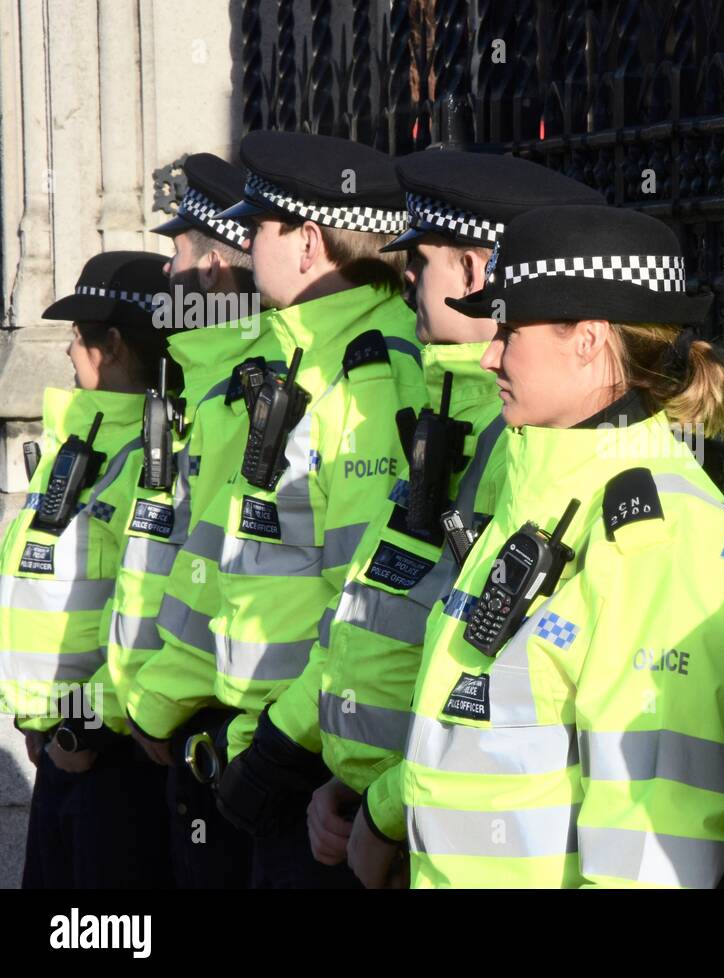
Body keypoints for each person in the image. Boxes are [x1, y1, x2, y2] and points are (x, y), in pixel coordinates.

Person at [346, 203, 724, 888]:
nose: (488, 354)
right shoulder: (536, 496)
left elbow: (653, 851)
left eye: (509, 329)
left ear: (589, 341)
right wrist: (386, 809)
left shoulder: (662, 540)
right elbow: (490, 734)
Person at [304, 151, 604, 875]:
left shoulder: (525, 440)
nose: (407, 281)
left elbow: (492, 687)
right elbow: (387, 608)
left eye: (421, 266)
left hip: (444, 830)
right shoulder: (457, 408)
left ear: (473, 271)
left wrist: (386, 808)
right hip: (400, 811)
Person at [201, 131, 424, 888]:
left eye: (257, 226)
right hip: (275, 740)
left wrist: (276, 748)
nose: (243, 243)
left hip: (317, 760)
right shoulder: (304, 352)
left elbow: (368, 602)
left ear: (307, 242)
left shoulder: (368, 370)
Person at [0, 251, 175, 887]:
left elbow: (155, 612)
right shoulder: (77, 441)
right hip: (59, 747)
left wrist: (84, 730)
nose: (69, 351)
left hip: (114, 755)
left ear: (116, 346)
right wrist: (38, 719)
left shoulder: (158, 455)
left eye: (79, 336)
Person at [112, 151, 259, 888]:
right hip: (195, 717)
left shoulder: (242, 389)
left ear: (216, 273)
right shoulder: (209, 383)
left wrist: (155, 701)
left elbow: (220, 575)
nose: (167, 275)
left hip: (217, 723)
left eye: (178, 253)